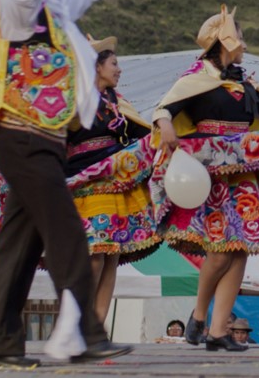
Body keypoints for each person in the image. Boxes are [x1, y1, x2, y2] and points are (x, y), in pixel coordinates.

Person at [0, 0, 163, 369]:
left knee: (18, 243)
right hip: (21, 137)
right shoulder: (15, 6)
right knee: (66, 231)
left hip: (50, 142)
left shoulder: (57, 11)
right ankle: (89, 333)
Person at [152, 5, 259, 353]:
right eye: (240, 38)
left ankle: (219, 329)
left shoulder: (245, 83)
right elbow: (163, 110)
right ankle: (199, 316)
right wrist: (168, 127)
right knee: (219, 251)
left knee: (241, 249)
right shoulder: (194, 81)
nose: (244, 45)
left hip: (245, 175)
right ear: (224, 41)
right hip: (212, 177)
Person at [65, 36, 160, 324]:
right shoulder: (75, 100)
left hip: (115, 184)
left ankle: (97, 325)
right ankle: (79, 322)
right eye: (114, 64)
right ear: (96, 67)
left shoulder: (118, 103)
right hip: (84, 184)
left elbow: (143, 134)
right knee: (95, 255)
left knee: (111, 257)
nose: (119, 70)